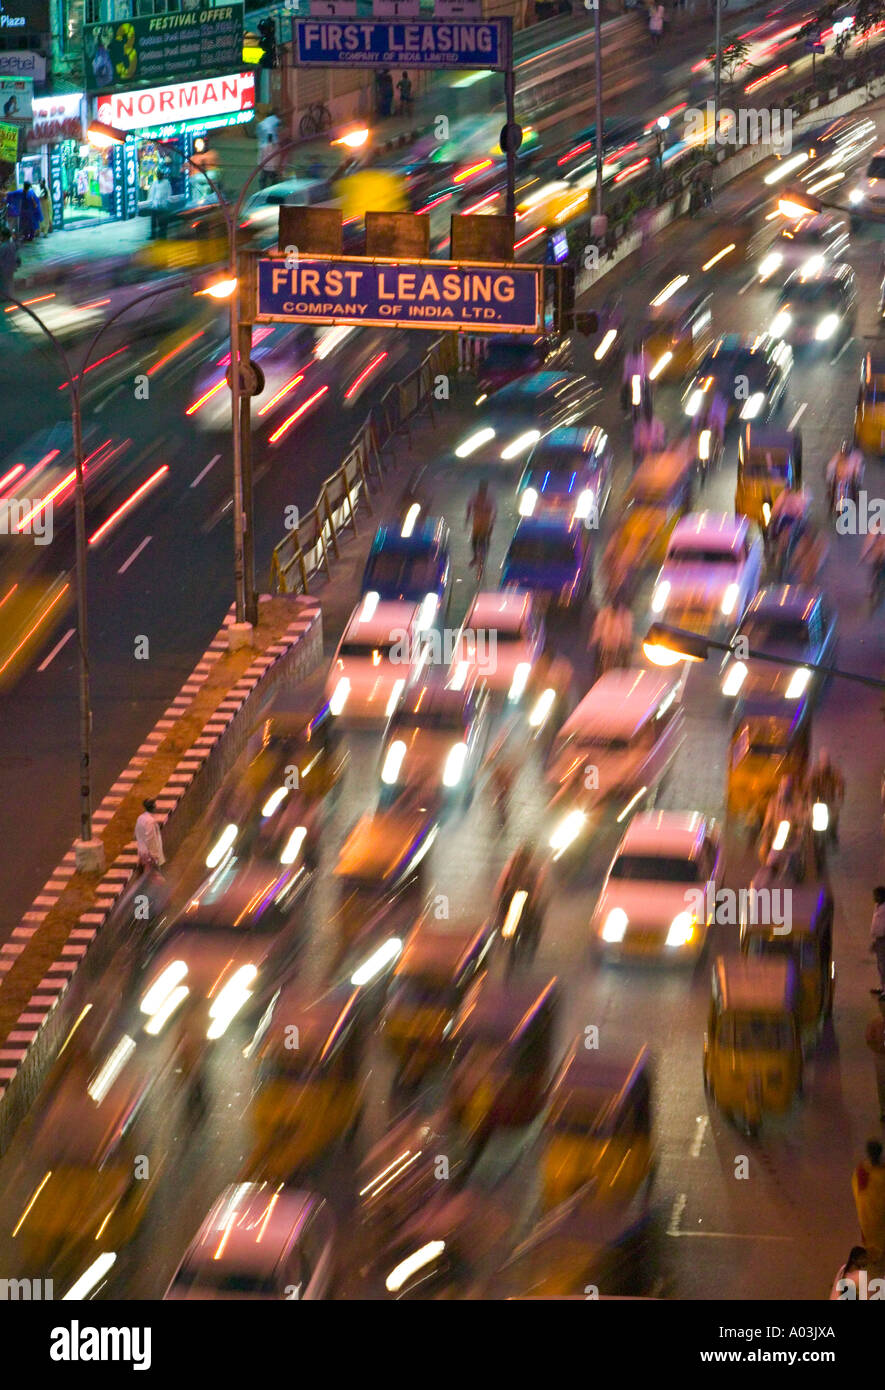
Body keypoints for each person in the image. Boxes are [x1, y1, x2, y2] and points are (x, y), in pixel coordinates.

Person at [851, 1140, 885, 1267]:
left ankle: (875, 1254)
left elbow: (857, 1189)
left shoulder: (861, 1171)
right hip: (880, 1214)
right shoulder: (882, 1172)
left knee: (871, 1234)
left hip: (867, 1213)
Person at [808, 748, 845, 843]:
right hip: (817, 800)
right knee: (810, 817)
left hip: (830, 799)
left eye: (826, 761)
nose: (824, 764)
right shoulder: (815, 771)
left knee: (834, 817)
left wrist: (840, 796)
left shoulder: (833, 771)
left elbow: (840, 782)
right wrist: (808, 798)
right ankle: (813, 837)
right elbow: (809, 784)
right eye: (823, 760)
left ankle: (833, 834)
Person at [825, 439, 864, 510]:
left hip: (850, 478)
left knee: (856, 486)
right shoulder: (838, 455)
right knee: (831, 486)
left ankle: (855, 499)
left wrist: (856, 474)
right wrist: (829, 476)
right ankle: (831, 499)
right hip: (839, 478)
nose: (844, 456)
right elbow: (831, 465)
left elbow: (858, 467)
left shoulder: (856, 456)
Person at [466, 480, 496, 568]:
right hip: (477, 521)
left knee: (485, 538)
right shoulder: (474, 496)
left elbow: (495, 510)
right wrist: (467, 520)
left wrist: (493, 520)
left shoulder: (490, 498)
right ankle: (475, 556)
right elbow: (469, 507)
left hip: (486, 522)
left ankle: (484, 551)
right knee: (474, 539)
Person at [865, 997, 885, 1124]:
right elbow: (869, 1038)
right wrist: (877, 1048)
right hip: (880, 1057)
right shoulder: (875, 1023)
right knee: (882, 1082)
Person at [135, 798, 165, 873]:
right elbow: (151, 839)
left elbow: (137, 832)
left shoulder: (140, 818)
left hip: (142, 852)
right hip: (150, 855)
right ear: (153, 807)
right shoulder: (150, 822)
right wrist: (155, 856)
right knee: (155, 877)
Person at [147, 170, 172, 240]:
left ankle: (163, 235)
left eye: (160, 174)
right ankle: (153, 235)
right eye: (158, 175)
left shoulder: (166, 183)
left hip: (163, 205)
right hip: (155, 205)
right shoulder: (155, 183)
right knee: (153, 222)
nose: (158, 176)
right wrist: (151, 202)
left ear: (162, 175)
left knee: (163, 222)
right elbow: (152, 193)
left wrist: (166, 202)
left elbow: (169, 193)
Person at [871, 886, 885, 999]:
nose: (874, 897)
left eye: (876, 895)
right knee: (880, 965)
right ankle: (883, 987)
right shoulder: (878, 906)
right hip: (880, 939)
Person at [0, 226, 19, 311]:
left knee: (4, 283)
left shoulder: (3, 247)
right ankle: (10, 296)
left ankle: (4, 297)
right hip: (11, 267)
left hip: (4, 268)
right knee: (9, 282)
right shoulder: (12, 244)